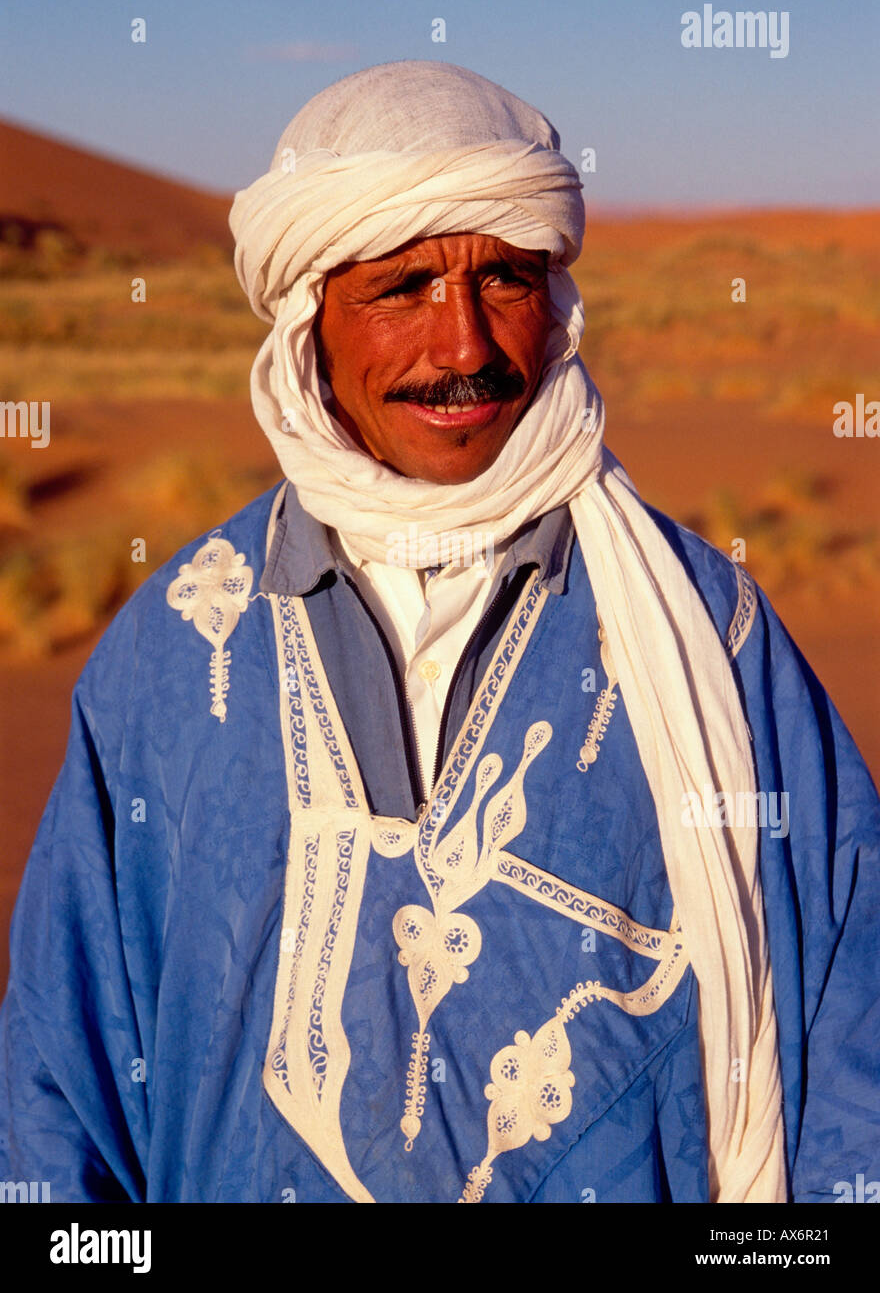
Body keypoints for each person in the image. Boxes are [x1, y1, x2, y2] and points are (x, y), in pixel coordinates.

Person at [1, 61, 877, 1205]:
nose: (463, 347)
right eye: (404, 286)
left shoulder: (710, 636)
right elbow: (61, 1096)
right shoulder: (176, 655)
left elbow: (848, 1044)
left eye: (503, 281)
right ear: (310, 317)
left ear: (553, 302)